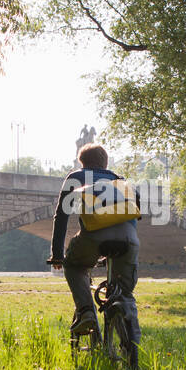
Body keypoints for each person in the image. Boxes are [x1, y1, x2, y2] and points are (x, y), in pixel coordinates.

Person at [47, 141, 141, 346]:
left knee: (74, 266)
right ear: (105, 163)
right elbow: (136, 206)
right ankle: (130, 343)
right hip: (128, 238)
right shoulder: (120, 180)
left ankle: (86, 311)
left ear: (82, 163)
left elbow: (61, 216)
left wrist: (57, 254)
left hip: (94, 236)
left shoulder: (76, 177)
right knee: (123, 292)